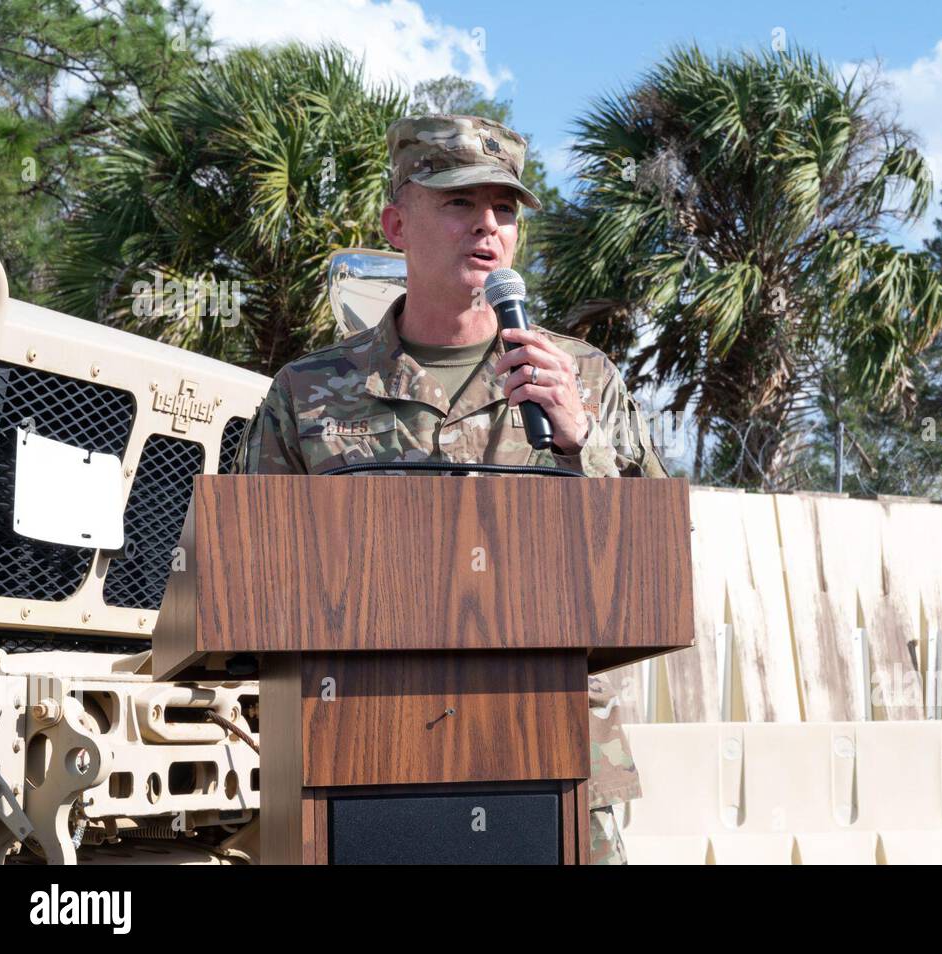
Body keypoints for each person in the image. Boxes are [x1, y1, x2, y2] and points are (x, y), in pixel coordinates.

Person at [234, 113, 668, 864]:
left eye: (505, 210)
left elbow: (657, 563)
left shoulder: (583, 378)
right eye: (460, 204)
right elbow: (248, 577)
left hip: (554, 754)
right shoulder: (306, 393)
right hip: (359, 763)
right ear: (397, 223)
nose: (488, 229)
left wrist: (579, 440)